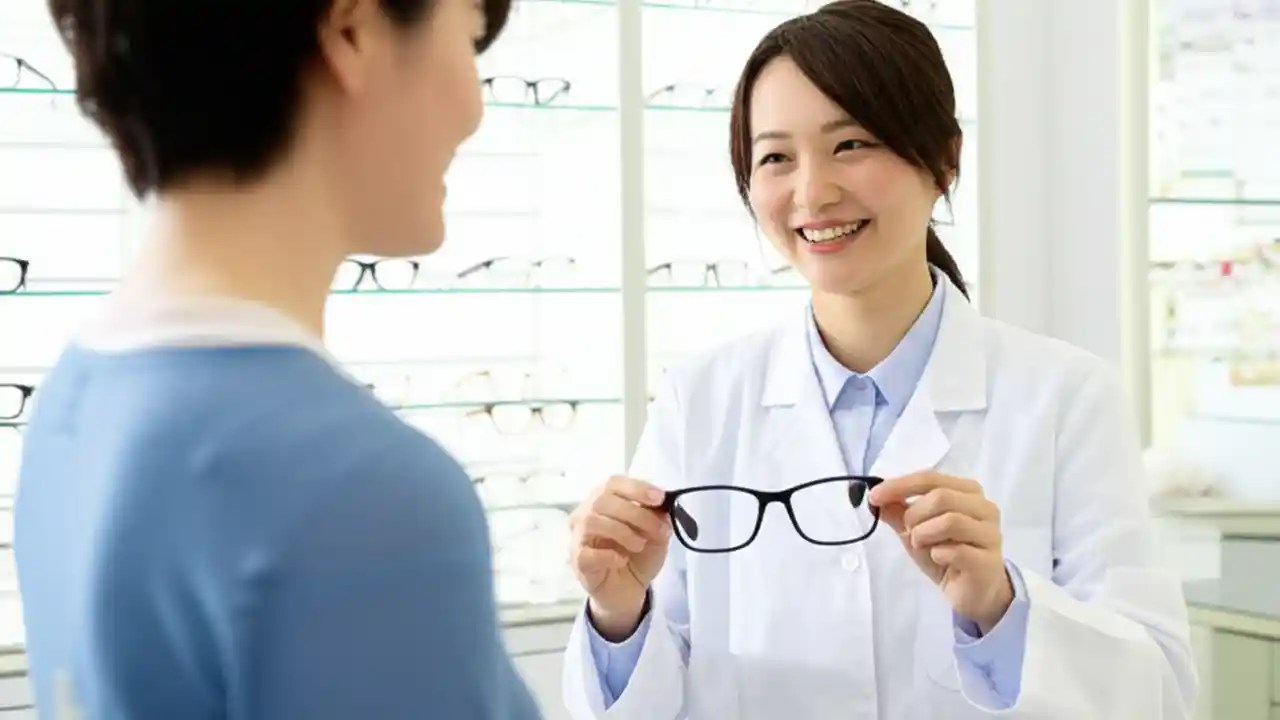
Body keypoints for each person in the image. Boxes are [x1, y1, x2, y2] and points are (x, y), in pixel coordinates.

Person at [562, 2, 1197, 718]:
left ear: (945, 159)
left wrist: (1000, 605)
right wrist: (619, 614)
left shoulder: (1067, 399)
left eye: (852, 144)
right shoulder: (701, 399)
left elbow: (1162, 690)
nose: (813, 192)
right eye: (775, 157)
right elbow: (655, 684)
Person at [14, 1, 541, 718]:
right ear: (352, 30)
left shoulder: (73, 401)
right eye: (470, 38)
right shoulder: (366, 496)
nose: (475, 109)